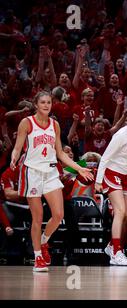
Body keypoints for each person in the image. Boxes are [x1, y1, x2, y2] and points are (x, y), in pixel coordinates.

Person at [10, 91, 93, 272]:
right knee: (37, 218)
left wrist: (79, 168)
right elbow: (17, 147)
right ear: (36, 104)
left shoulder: (54, 125)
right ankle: (38, 256)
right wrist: (13, 159)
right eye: (43, 102)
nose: (46, 105)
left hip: (50, 171)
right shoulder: (27, 123)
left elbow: (61, 153)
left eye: (49, 102)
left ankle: (44, 241)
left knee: (58, 215)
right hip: (32, 172)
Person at [96, 108, 127, 266]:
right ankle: (117, 252)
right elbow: (105, 158)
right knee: (119, 212)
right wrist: (98, 180)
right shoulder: (121, 135)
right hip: (112, 173)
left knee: (125, 215)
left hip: (126, 175)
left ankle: (111, 246)